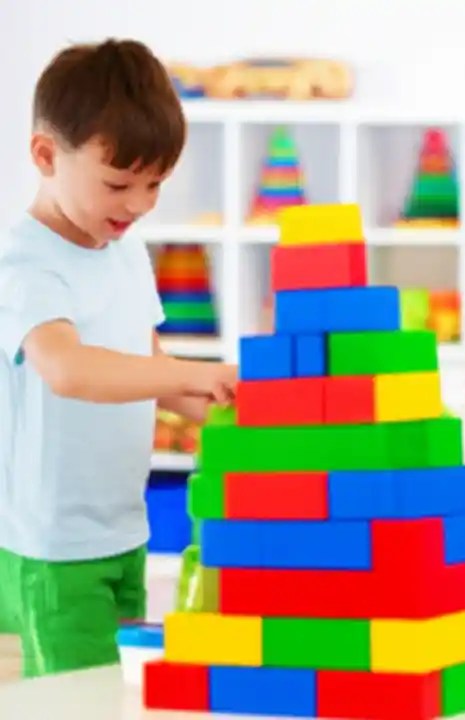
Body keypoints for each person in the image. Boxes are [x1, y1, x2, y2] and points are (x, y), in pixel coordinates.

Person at [0, 38, 239, 678]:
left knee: (107, 688)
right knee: (77, 698)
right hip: (53, 546)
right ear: (46, 156)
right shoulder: (26, 263)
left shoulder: (125, 250)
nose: (138, 205)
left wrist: (242, 410)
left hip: (122, 530)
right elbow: (68, 368)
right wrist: (198, 372)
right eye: (118, 183)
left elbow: (149, 368)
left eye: (155, 184)